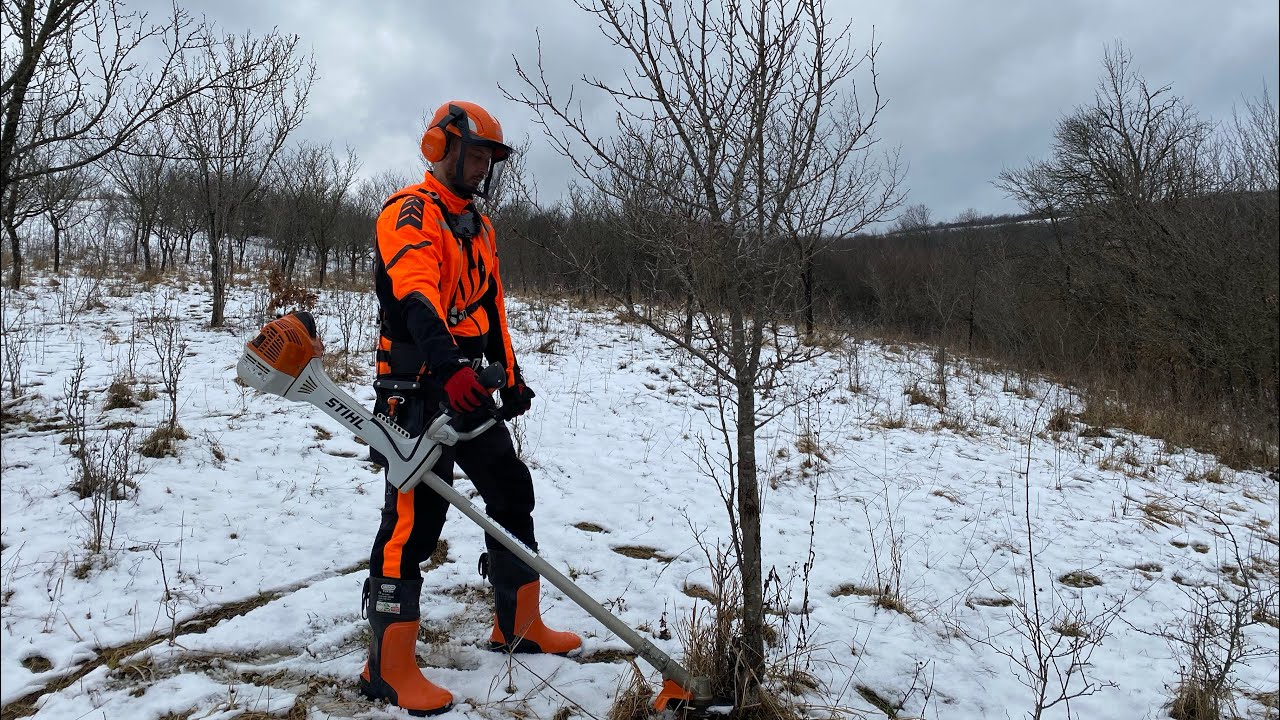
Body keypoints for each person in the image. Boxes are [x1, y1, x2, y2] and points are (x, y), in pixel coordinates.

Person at [359, 101, 581, 716]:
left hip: (469, 387)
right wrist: (449, 368)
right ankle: (389, 666)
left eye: (490, 157)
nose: (483, 165)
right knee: (414, 523)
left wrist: (509, 376)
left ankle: (519, 622)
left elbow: (490, 310)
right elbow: (415, 298)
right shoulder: (410, 212)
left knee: (511, 491)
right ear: (441, 147)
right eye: (475, 153)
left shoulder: (479, 226)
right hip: (417, 389)